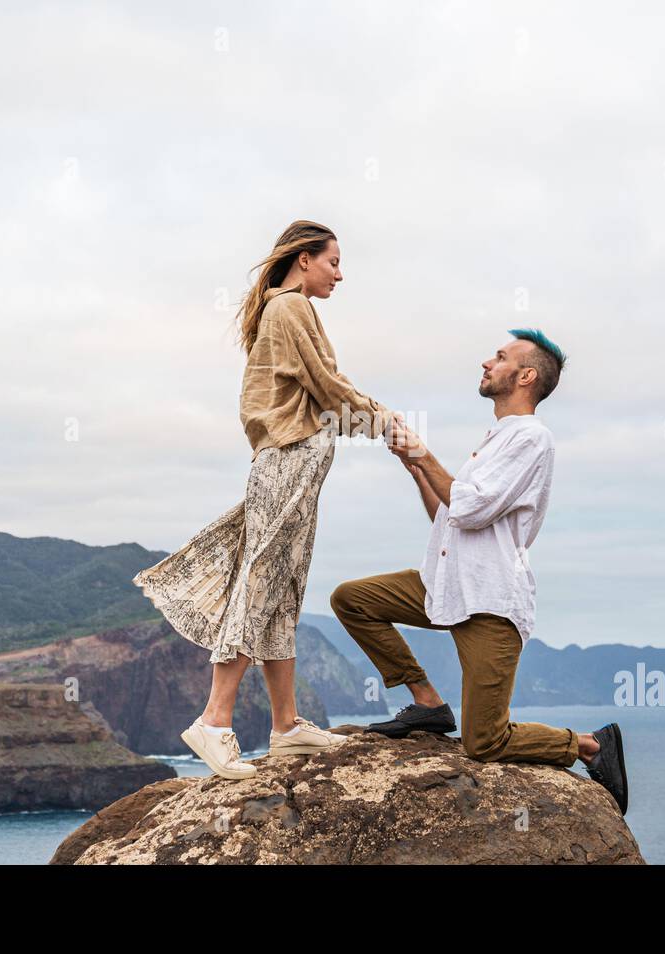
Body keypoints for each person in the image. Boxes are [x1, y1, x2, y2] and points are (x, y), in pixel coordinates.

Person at [134, 220, 399, 780]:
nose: (339, 273)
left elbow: (322, 385)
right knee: (261, 583)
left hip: (292, 464)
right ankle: (213, 722)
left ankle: (285, 726)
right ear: (304, 259)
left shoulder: (282, 310)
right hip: (288, 461)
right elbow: (328, 386)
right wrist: (384, 423)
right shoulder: (291, 308)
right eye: (333, 261)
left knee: (282, 591)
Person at [329, 330, 629, 814]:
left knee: (484, 741)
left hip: (489, 601)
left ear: (526, 376)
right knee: (352, 599)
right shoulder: (495, 439)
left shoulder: (533, 438)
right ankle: (427, 703)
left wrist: (425, 454)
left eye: (501, 357)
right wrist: (416, 469)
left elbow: (469, 509)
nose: (486, 362)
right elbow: (448, 517)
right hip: (445, 584)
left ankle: (589, 745)